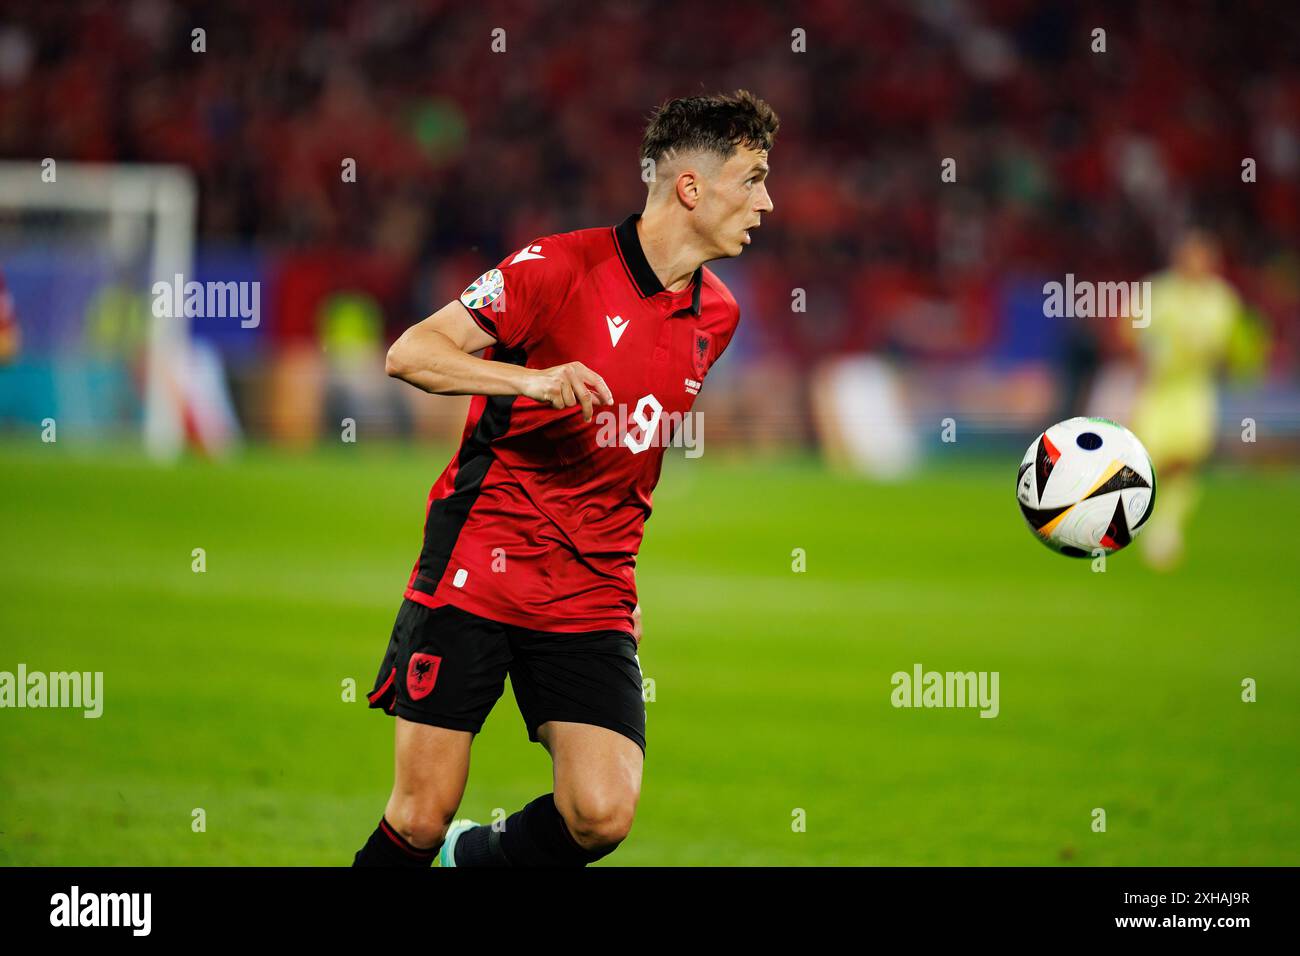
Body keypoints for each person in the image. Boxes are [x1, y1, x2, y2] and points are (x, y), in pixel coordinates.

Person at [352, 90, 778, 866]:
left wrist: (625, 580)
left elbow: (631, 459)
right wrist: (531, 382)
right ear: (691, 188)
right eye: (752, 179)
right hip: (481, 559)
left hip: (592, 588)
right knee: (418, 816)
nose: (767, 202)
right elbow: (409, 352)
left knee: (602, 813)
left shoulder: (718, 315)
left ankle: (469, 858)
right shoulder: (554, 267)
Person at [1127, 230, 1264, 570]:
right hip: (1157, 389)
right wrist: (1143, 352)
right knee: (1146, 460)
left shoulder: (1221, 300)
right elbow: (1126, 328)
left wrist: (1239, 357)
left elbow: (1237, 347)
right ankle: (1131, 514)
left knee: (1187, 457)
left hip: (1195, 390)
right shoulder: (1159, 292)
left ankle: (1166, 526)